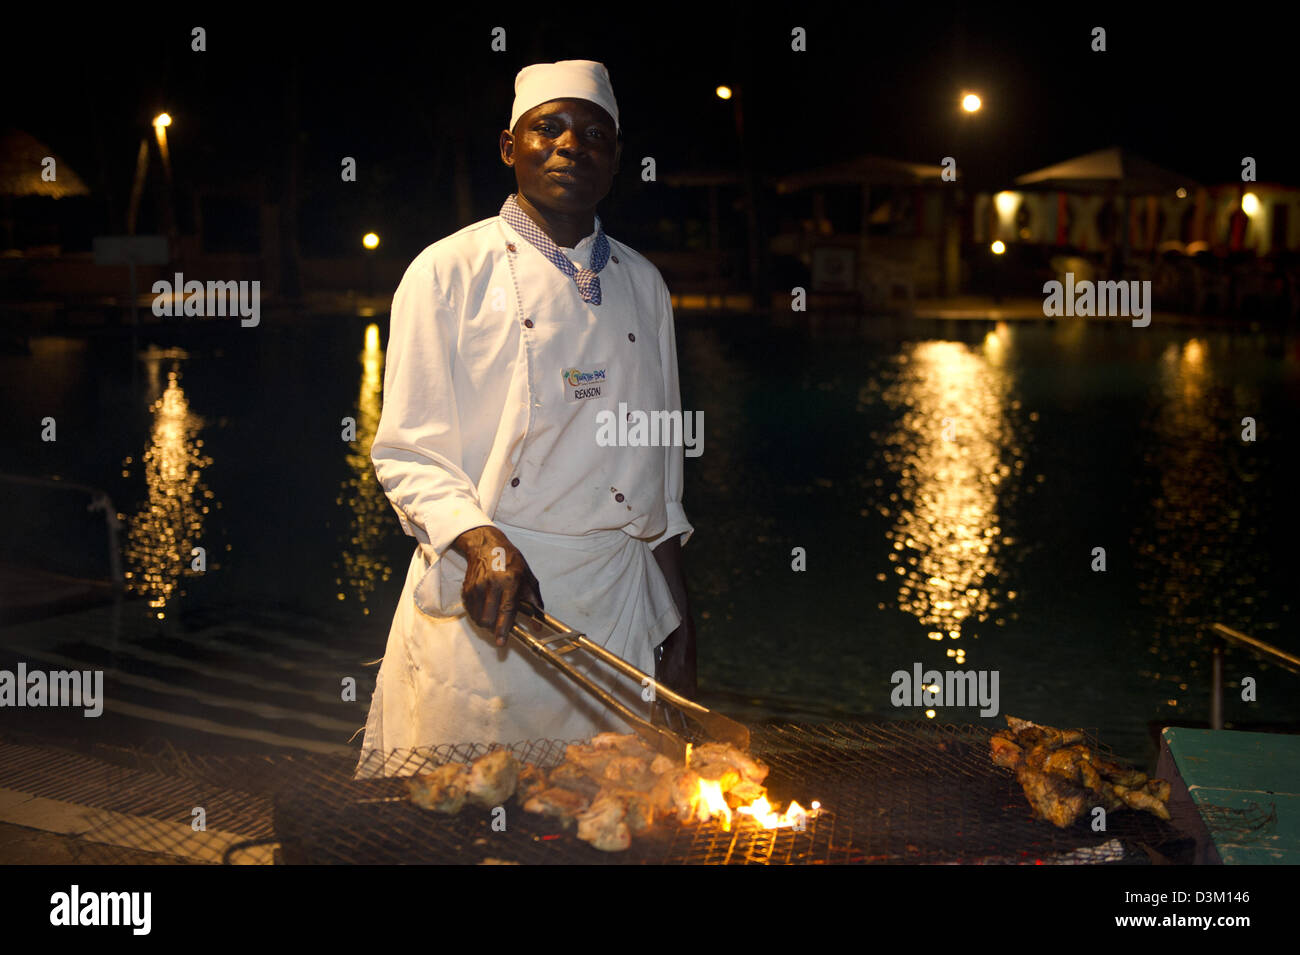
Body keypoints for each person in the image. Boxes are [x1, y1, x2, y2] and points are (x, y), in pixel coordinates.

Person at [356, 60, 696, 777]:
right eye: (551, 128)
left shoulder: (644, 284)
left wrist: (680, 627)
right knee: (462, 825)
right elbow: (409, 453)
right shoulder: (447, 271)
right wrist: (481, 541)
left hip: (616, 612)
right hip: (494, 613)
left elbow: (661, 480)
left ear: (615, 161)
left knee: (607, 822)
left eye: (595, 134)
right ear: (510, 147)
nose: (573, 145)